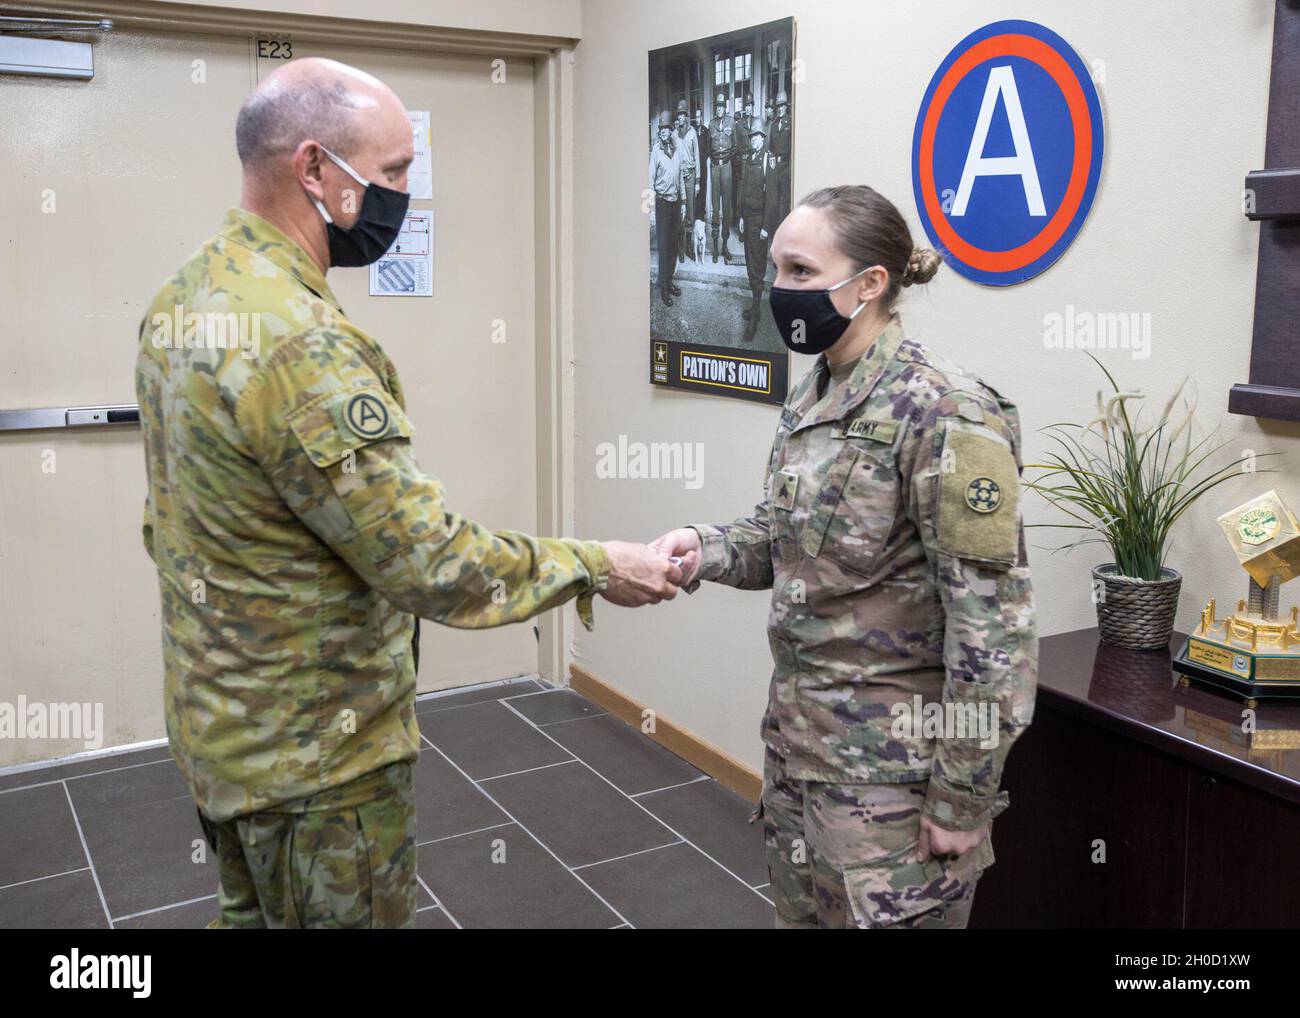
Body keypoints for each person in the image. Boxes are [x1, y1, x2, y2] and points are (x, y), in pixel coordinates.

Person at [135, 57, 686, 929]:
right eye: (391, 175)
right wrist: (594, 565)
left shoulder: (190, 293)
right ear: (314, 167)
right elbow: (427, 560)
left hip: (222, 725)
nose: (404, 197)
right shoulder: (300, 342)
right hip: (319, 760)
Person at [652, 185, 1037, 929]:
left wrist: (963, 799)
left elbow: (992, 633)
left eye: (800, 271)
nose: (780, 290)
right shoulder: (817, 392)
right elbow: (785, 537)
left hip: (895, 786)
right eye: (776, 270)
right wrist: (706, 548)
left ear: (870, 284)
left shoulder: (947, 412)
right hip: (803, 758)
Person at [737, 117, 779, 341]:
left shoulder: (767, 160)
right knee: (750, 267)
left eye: (758, 137)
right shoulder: (749, 158)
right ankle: (755, 309)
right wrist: (741, 217)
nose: (754, 140)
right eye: (752, 137)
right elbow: (743, 189)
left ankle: (754, 319)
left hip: (759, 225)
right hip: (748, 220)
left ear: (763, 138)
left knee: (757, 271)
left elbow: (771, 199)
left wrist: (766, 228)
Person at [649, 109, 685, 305]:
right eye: (661, 128)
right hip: (662, 204)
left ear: (672, 130)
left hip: (675, 203)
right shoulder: (656, 151)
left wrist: (684, 203)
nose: (664, 131)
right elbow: (649, 180)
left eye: (666, 128)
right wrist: (649, 212)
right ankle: (663, 288)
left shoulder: (676, 148)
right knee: (663, 248)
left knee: (672, 246)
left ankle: (669, 281)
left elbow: (680, 175)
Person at [707, 92, 739, 265]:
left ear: (725, 107)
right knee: (715, 208)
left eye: (721, 106)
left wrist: (726, 160)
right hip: (714, 169)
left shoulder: (731, 122)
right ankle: (714, 247)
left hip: (726, 168)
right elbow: (707, 147)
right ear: (715, 108)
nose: (719, 109)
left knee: (726, 210)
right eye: (717, 106)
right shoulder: (711, 124)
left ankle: (725, 245)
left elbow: (735, 146)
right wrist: (714, 162)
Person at [673, 99, 700, 264]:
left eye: (683, 114)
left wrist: (697, 180)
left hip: (690, 177)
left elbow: (697, 157)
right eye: (679, 114)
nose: (681, 117)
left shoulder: (692, 133)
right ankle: (680, 249)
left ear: (687, 116)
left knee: (690, 212)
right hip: (678, 178)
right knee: (679, 213)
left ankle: (689, 247)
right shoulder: (674, 134)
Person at [770, 92, 792, 214]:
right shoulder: (773, 125)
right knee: (775, 198)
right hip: (775, 167)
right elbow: (771, 147)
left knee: (784, 201)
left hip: (785, 166)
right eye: (778, 106)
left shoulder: (790, 122)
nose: (780, 109)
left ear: (786, 106)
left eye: (782, 106)